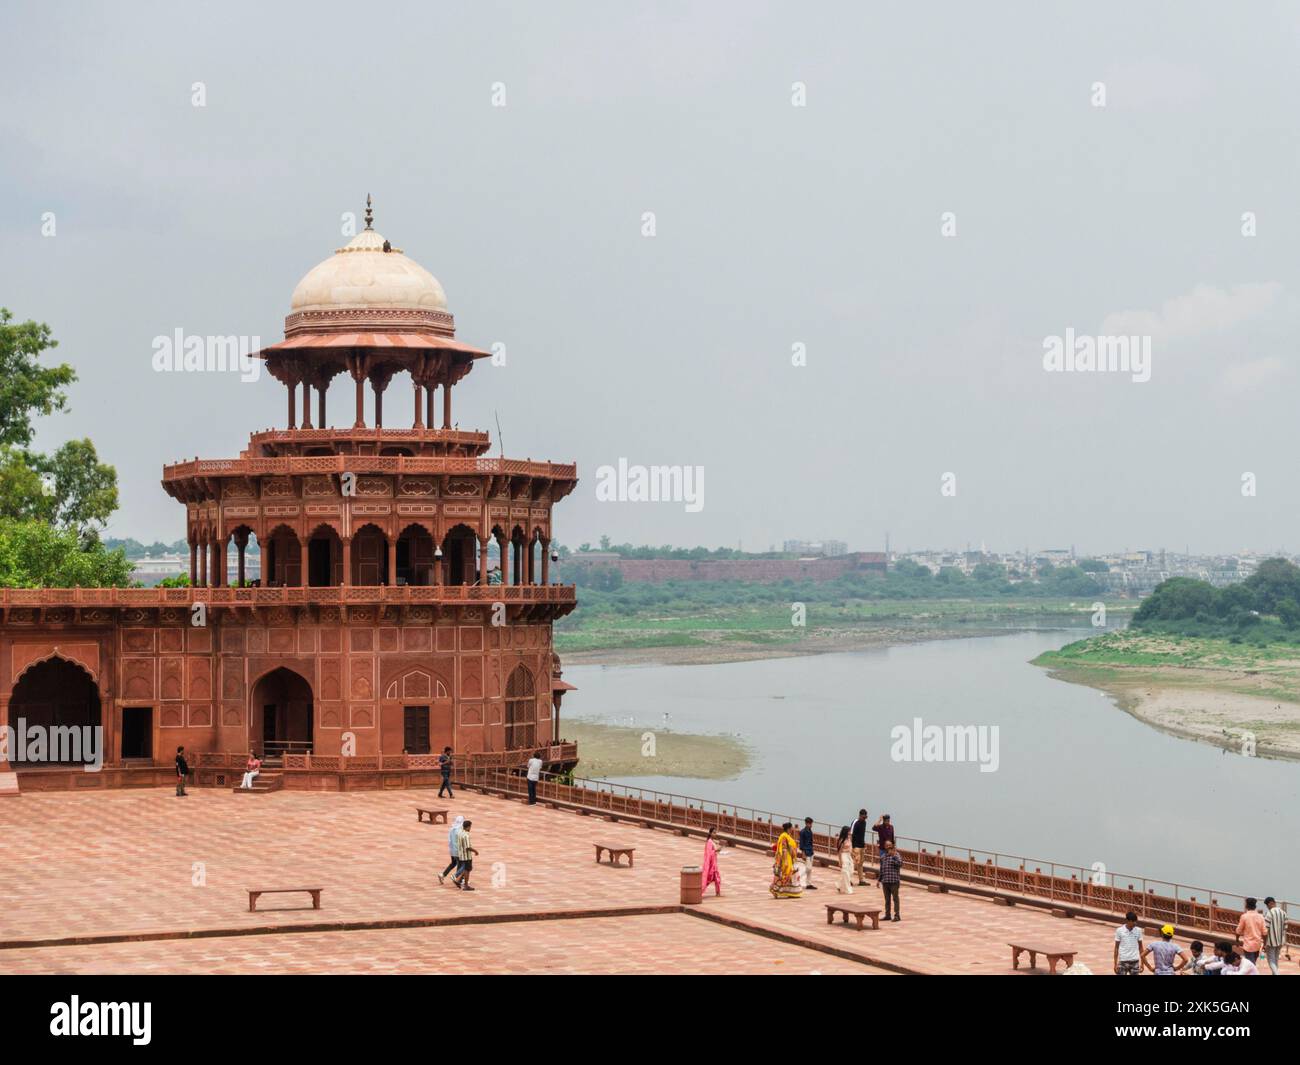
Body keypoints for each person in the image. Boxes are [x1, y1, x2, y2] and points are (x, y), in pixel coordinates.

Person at [769, 822, 802, 899]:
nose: (792, 829)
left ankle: (790, 892)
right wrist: (786, 861)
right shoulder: (784, 837)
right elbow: (783, 849)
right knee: (784, 875)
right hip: (785, 859)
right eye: (791, 828)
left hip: (789, 858)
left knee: (790, 875)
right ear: (788, 828)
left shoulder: (787, 836)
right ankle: (775, 890)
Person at [1235, 898, 1267, 965]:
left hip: (1248, 945)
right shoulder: (1261, 917)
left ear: (1246, 906)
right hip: (1257, 944)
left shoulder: (1244, 917)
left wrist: (1237, 940)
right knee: (1252, 962)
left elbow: (1238, 931)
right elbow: (1264, 932)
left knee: (1250, 964)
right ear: (1255, 906)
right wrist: (1265, 943)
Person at [878, 839, 902, 920]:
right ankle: (887, 915)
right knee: (887, 900)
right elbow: (881, 869)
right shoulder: (883, 857)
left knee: (895, 898)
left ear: (892, 846)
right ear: (885, 847)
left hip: (894, 881)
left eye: (890, 845)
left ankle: (897, 915)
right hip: (885, 881)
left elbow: (900, 864)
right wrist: (879, 880)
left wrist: (893, 856)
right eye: (887, 845)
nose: (888, 847)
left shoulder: (896, 855)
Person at [452, 819, 479, 890]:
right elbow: (467, 847)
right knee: (467, 869)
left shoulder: (460, 833)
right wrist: (475, 851)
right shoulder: (466, 835)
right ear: (468, 827)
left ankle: (458, 880)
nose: (470, 828)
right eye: (470, 827)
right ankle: (465, 885)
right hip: (466, 855)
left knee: (468, 868)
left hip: (461, 854)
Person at [1263, 897, 1287, 976]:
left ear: (1270, 903)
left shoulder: (1269, 913)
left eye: (1267, 905)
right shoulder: (1283, 913)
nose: (1267, 907)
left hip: (1271, 941)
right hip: (1281, 940)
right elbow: (1285, 928)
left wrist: (1264, 942)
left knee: (1271, 960)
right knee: (1275, 960)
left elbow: (1266, 930)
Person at [701, 826, 722, 897]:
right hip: (711, 865)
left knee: (717, 878)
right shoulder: (709, 842)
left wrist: (717, 850)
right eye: (714, 833)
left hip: (714, 863)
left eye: (715, 833)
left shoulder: (713, 842)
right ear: (710, 833)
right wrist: (716, 850)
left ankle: (718, 893)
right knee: (708, 879)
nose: (715, 834)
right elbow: (709, 853)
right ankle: (699, 891)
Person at [850, 809, 869, 886]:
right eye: (864, 817)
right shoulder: (855, 822)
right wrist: (851, 846)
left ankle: (861, 880)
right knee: (853, 864)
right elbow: (851, 834)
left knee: (860, 863)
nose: (865, 818)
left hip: (862, 846)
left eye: (866, 817)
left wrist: (864, 844)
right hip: (856, 846)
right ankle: (849, 879)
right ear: (860, 815)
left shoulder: (864, 822)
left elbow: (862, 835)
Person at [797, 817, 817, 890]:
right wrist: (803, 853)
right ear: (806, 823)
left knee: (810, 869)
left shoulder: (810, 830)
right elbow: (801, 844)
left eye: (811, 823)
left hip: (811, 851)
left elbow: (811, 842)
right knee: (807, 868)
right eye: (810, 823)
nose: (811, 825)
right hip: (806, 851)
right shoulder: (803, 832)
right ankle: (798, 879)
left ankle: (808, 884)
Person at [833, 826, 853, 894]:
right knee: (846, 872)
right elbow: (839, 851)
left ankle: (838, 884)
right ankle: (848, 888)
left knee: (850, 871)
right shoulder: (842, 840)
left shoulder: (849, 838)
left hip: (849, 856)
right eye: (849, 831)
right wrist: (840, 861)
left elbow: (851, 848)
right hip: (843, 855)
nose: (850, 832)